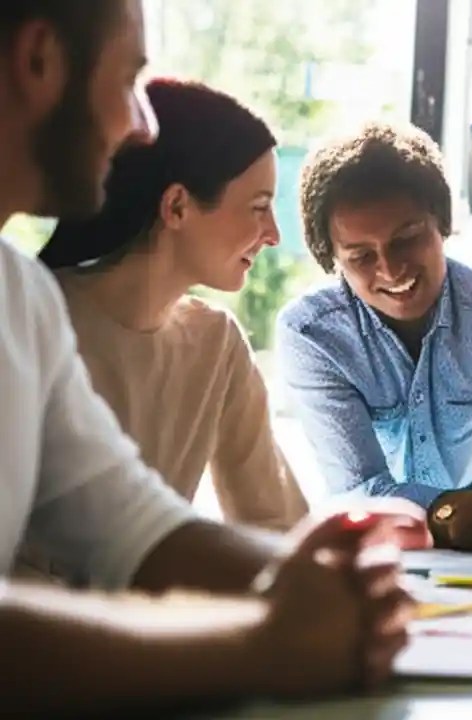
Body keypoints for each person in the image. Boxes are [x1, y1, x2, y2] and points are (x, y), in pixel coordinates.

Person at [0, 2, 417, 714]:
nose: (142, 127)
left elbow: (135, 528)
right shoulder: (50, 304)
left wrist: (336, 586)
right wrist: (260, 643)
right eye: (129, 81)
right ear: (40, 61)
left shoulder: (21, 296)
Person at [31, 77, 306, 543]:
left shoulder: (217, 345)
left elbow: (275, 524)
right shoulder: (33, 321)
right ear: (177, 206)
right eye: (259, 207)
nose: (274, 234)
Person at [277, 121, 472, 554]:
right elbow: (356, 490)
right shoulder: (312, 335)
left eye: (406, 239)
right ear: (333, 260)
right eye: (361, 256)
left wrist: (462, 517)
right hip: (371, 551)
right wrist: (447, 513)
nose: (390, 270)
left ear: (441, 223)